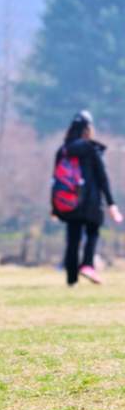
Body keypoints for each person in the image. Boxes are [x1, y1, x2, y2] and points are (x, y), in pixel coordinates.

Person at [53, 111, 122, 286]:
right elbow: (102, 178)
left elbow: (56, 180)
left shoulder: (63, 150)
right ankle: (87, 264)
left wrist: (54, 207)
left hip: (70, 201)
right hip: (91, 201)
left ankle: (71, 280)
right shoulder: (91, 149)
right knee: (93, 232)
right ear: (88, 129)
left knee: (72, 239)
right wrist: (111, 204)